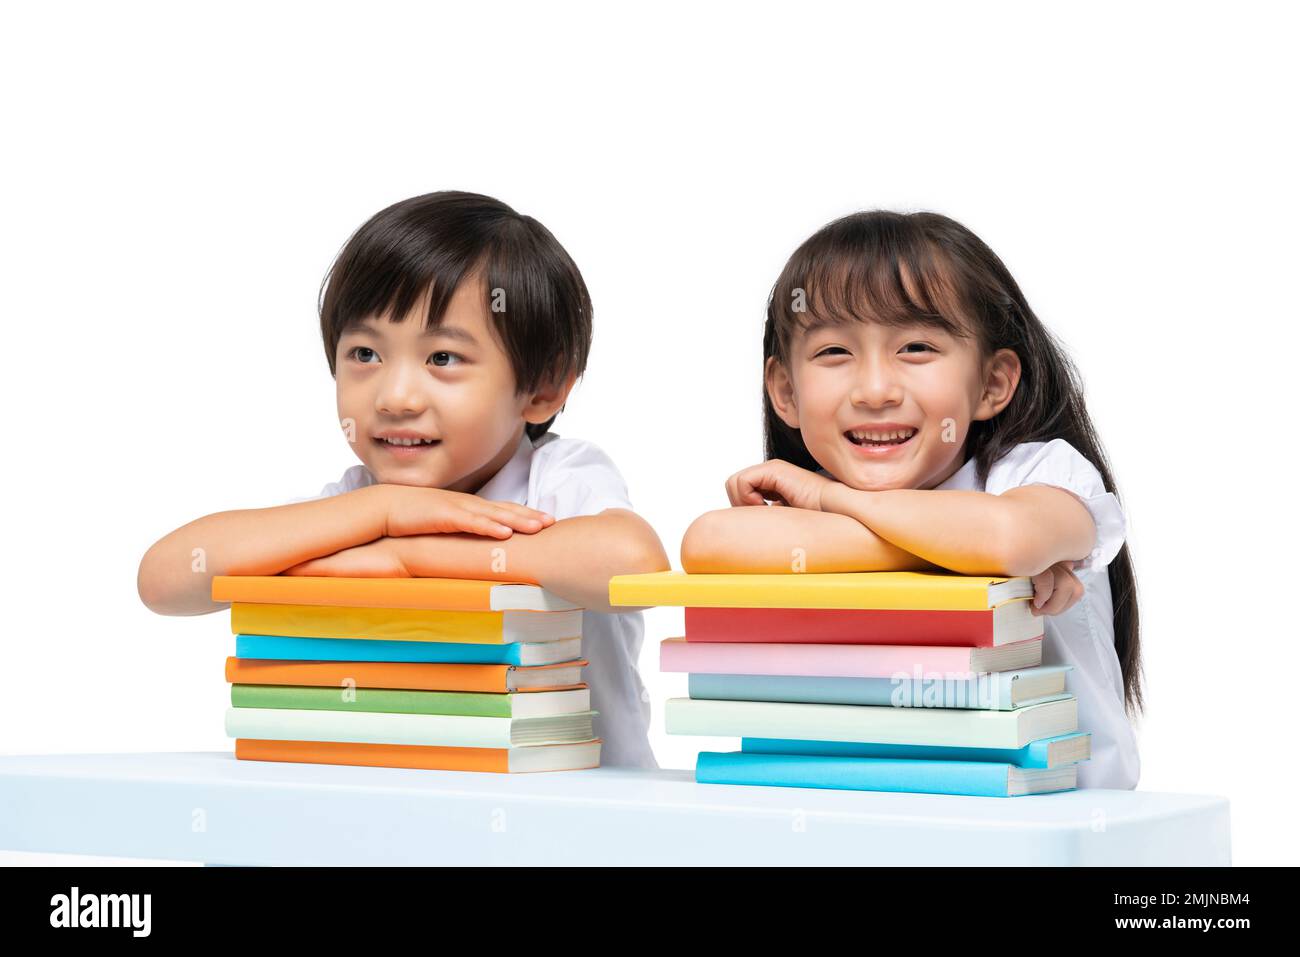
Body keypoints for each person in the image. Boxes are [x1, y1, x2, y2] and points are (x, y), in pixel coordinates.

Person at [138, 190, 668, 768]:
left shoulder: (558, 479)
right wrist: (379, 515)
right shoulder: (357, 503)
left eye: (442, 358)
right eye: (365, 354)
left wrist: (406, 556)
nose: (394, 398)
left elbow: (632, 563)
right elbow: (166, 579)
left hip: (578, 827)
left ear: (542, 386)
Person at [681, 210, 1141, 788]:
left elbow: (1005, 537)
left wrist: (829, 499)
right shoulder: (811, 510)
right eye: (833, 353)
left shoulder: (1038, 473)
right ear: (785, 392)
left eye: (917, 347)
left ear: (992, 384)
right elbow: (710, 542)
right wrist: (969, 559)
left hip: (1058, 821)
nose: (875, 390)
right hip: (892, 816)